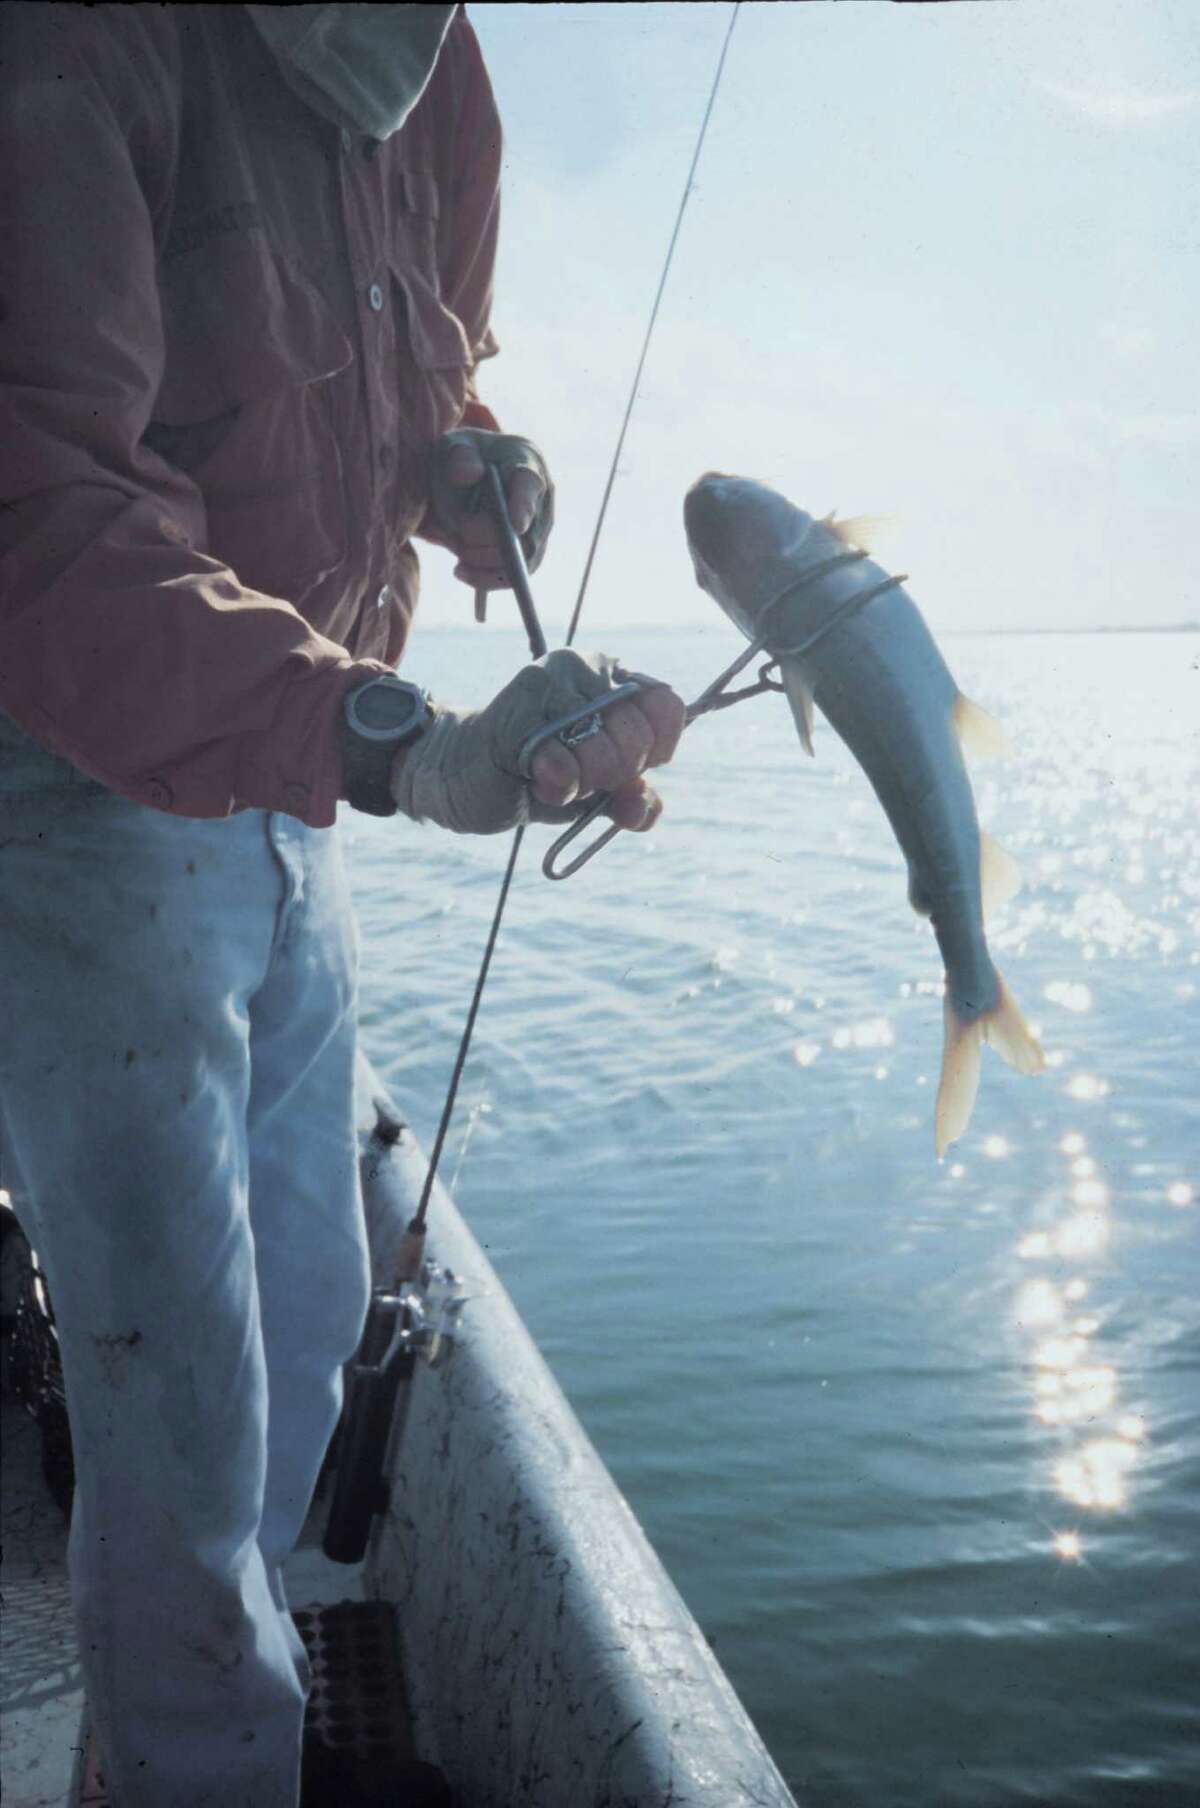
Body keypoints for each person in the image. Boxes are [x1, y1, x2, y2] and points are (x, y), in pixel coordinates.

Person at [0, 6, 685, 1805]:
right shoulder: (80, 47)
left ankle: (182, 1719)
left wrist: (459, 464)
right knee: (182, 1393)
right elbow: (42, 521)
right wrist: (401, 741)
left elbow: (407, 363)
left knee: (306, 1308)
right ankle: (196, 1772)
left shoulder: (434, 72)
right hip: (81, 790)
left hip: (299, 786)